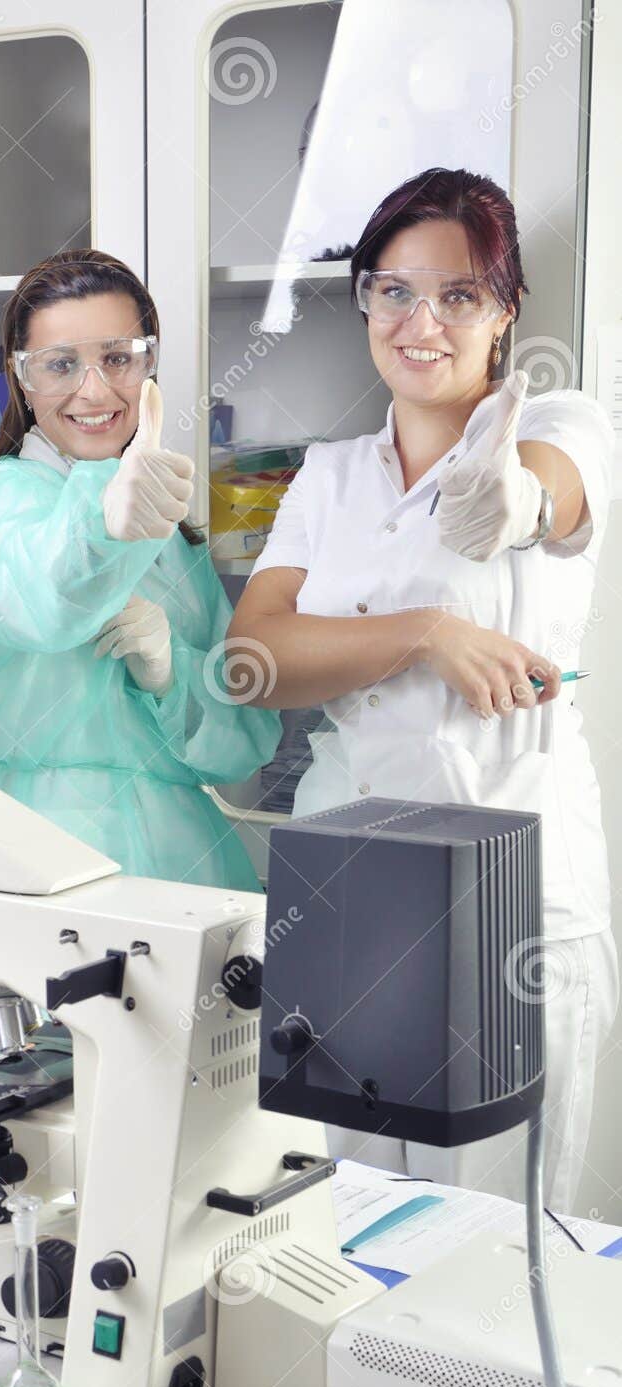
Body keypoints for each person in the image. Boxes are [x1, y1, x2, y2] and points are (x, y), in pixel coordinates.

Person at [228, 168, 616, 1211]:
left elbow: (548, 496)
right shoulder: (333, 473)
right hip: (345, 887)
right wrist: (424, 633)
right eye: (392, 291)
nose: (420, 322)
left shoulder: (565, 422)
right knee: (340, 1229)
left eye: (457, 295)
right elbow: (253, 660)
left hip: (513, 896)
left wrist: (516, 500)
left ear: (504, 310)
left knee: (498, 1244)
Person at [0, 250, 281, 889]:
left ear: (147, 366)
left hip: (184, 858)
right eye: (61, 365)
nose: (94, 390)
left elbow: (249, 735)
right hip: (34, 844)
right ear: (21, 379)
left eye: (118, 358)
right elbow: (40, 604)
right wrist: (103, 527)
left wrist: (172, 673)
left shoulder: (174, 534)